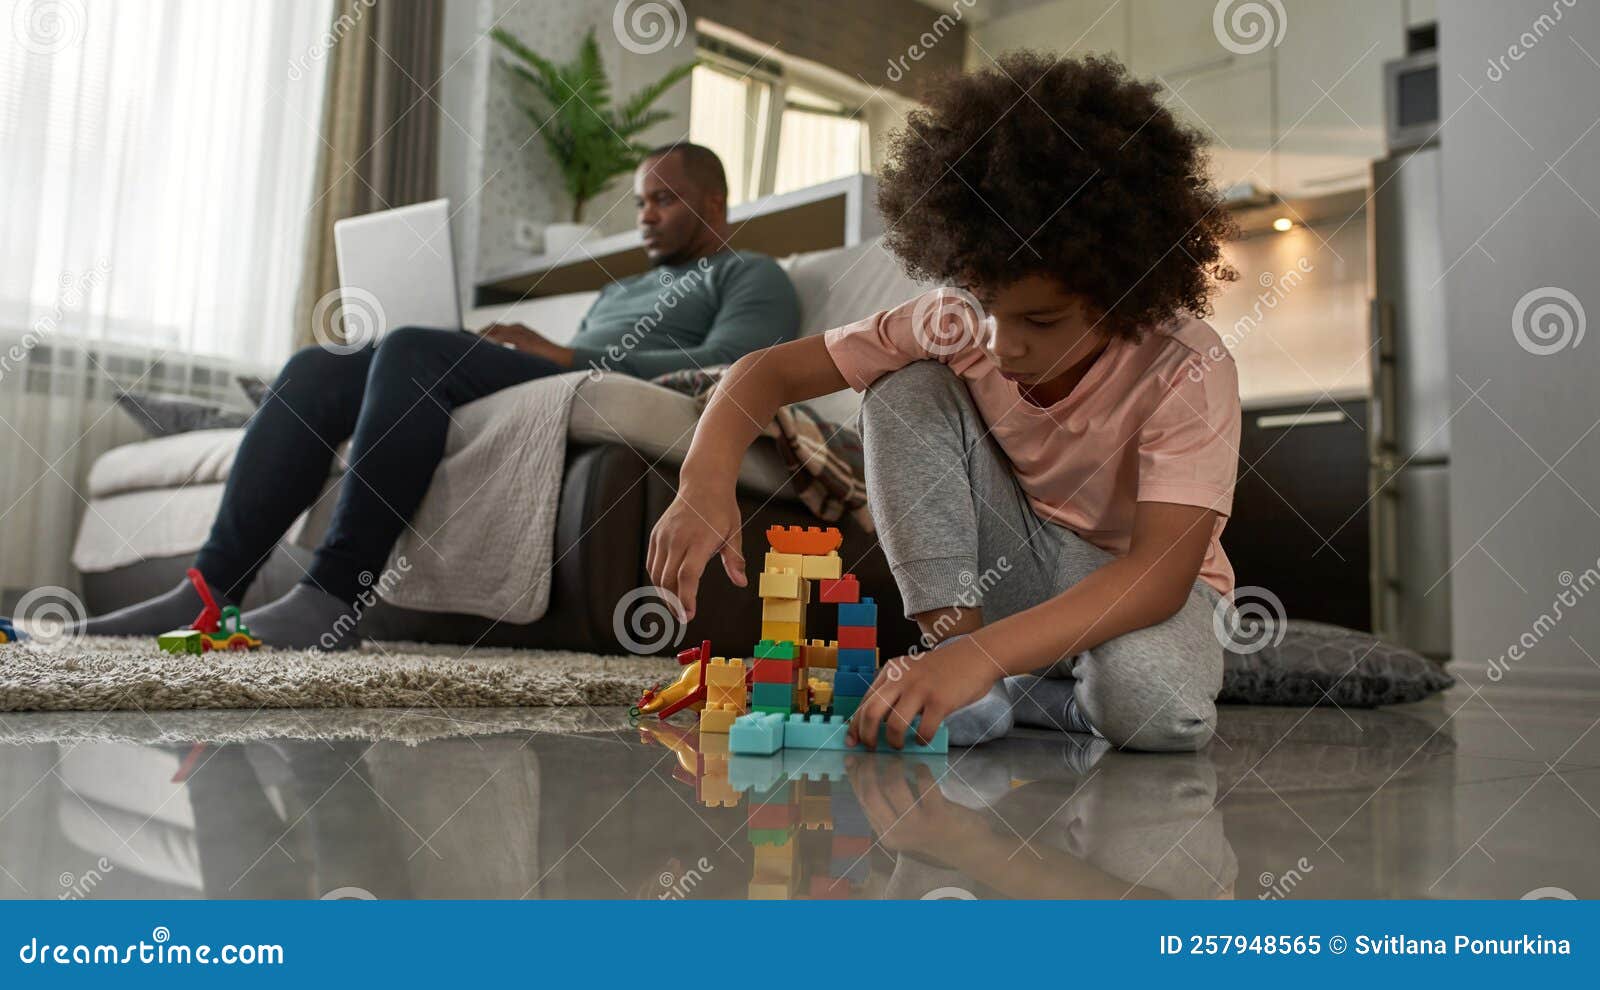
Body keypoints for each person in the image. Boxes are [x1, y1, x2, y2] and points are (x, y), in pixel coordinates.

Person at [647, 53, 1241, 752]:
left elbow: (1156, 576)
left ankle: (1032, 682)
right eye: (985, 306)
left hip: (1132, 580)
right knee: (903, 385)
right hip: (1014, 562)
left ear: (1122, 297)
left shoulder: (1188, 365)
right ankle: (971, 668)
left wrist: (988, 653)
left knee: (1155, 713)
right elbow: (764, 373)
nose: (999, 344)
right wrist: (702, 481)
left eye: (1040, 321)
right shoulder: (951, 318)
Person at [83, 143, 800, 649]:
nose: (645, 215)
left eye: (665, 200)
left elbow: (736, 366)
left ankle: (333, 594)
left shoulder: (750, 274)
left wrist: (562, 351)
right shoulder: (620, 289)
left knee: (415, 348)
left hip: (598, 382)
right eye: (641, 201)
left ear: (714, 202)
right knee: (320, 366)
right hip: (556, 378)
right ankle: (208, 591)